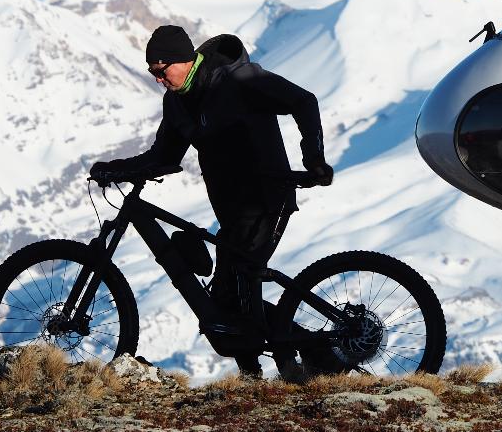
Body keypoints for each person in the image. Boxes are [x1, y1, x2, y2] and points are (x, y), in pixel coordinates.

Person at [90, 25, 332, 380]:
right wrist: (116, 169)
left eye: (162, 70)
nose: (158, 79)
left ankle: (303, 356)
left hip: (266, 197)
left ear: (183, 60)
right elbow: (165, 156)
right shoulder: (176, 102)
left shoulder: (239, 80)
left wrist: (313, 159)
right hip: (231, 208)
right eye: (152, 73)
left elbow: (303, 101)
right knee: (224, 299)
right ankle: (262, 371)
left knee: (243, 283)